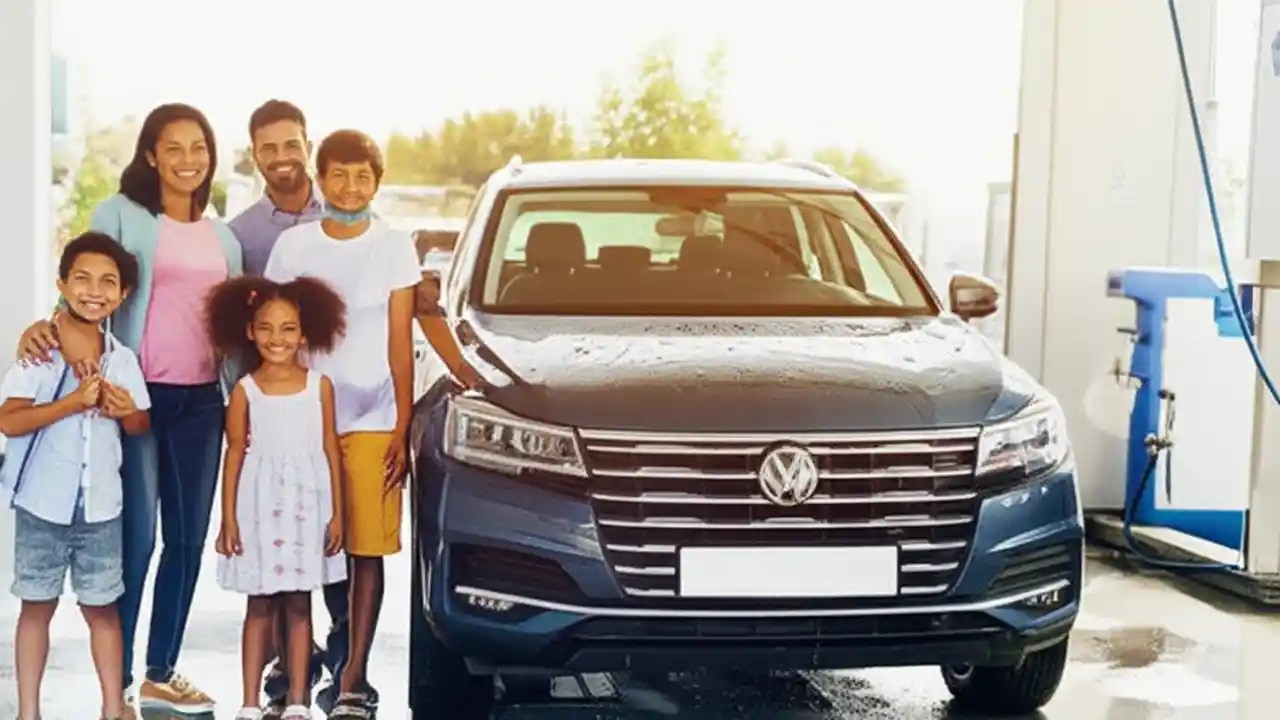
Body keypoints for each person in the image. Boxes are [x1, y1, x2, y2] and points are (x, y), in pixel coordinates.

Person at [16, 102, 243, 716]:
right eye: (173, 148)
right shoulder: (118, 214)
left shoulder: (223, 237)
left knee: (188, 541)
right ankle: (112, 685)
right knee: (136, 541)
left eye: (198, 148)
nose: (187, 160)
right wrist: (45, 326)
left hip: (202, 401)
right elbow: (86, 285)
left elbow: (238, 326)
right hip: (135, 398)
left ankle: (159, 670)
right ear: (150, 155)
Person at [263, 129, 418, 719]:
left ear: (377, 182)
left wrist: (403, 424)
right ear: (320, 178)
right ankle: (309, 660)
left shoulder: (394, 246)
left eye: (363, 176)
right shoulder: (295, 246)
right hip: (305, 415)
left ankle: (354, 676)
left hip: (374, 415)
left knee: (365, 548)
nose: (351, 187)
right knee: (311, 540)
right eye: (339, 175)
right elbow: (276, 335)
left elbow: (400, 342)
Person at [227, 99, 346, 716]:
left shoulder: (346, 215)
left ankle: (343, 670)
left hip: (337, 402)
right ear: (255, 155)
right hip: (270, 410)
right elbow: (230, 319)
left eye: (290, 144)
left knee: (328, 556)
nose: (281, 157)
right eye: (267, 147)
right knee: (273, 579)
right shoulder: (242, 233)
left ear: (307, 144)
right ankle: (281, 677)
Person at [0, 233, 151, 720]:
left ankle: (113, 708)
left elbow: (140, 423)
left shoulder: (122, 359)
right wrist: (72, 403)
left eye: (109, 282)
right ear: (62, 283)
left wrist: (124, 410)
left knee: (103, 610)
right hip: (43, 504)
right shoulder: (40, 350)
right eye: (82, 278)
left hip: (102, 508)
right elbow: (9, 418)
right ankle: (28, 712)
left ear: (123, 294)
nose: (94, 290)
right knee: (36, 608)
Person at [205, 276, 349, 720]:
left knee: (300, 603)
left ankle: (299, 701)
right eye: (266, 328)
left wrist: (338, 514)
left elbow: (329, 450)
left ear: (304, 333)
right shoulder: (244, 390)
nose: (277, 338)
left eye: (288, 329)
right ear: (250, 331)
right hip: (260, 506)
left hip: (307, 506)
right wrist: (228, 518)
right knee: (259, 605)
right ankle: (249, 702)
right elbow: (233, 456)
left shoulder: (319, 386)